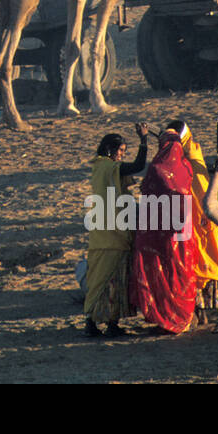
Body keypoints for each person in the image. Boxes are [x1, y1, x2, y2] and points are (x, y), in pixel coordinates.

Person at [130, 122, 201, 334]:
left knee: (159, 274)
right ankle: (183, 317)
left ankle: (165, 319)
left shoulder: (156, 168)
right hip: (182, 233)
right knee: (180, 273)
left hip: (159, 234)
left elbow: (148, 196)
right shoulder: (187, 167)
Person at [84, 123, 149, 338]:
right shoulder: (109, 167)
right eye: (120, 151)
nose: (122, 155)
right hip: (113, 234)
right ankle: (103, 324)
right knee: (112, 279)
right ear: (110, 150)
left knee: (101, 280)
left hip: (102, 233)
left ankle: (100, 323)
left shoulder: (99, 167)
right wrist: (144, 140)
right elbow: (139, 165)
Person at [174, 120, 218, 320]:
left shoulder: (189, 156)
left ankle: (200, 312)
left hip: (199, 222)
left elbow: (197, 190)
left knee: (199, 265)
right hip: (194, 221)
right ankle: (199, 313)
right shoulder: (188, 153)